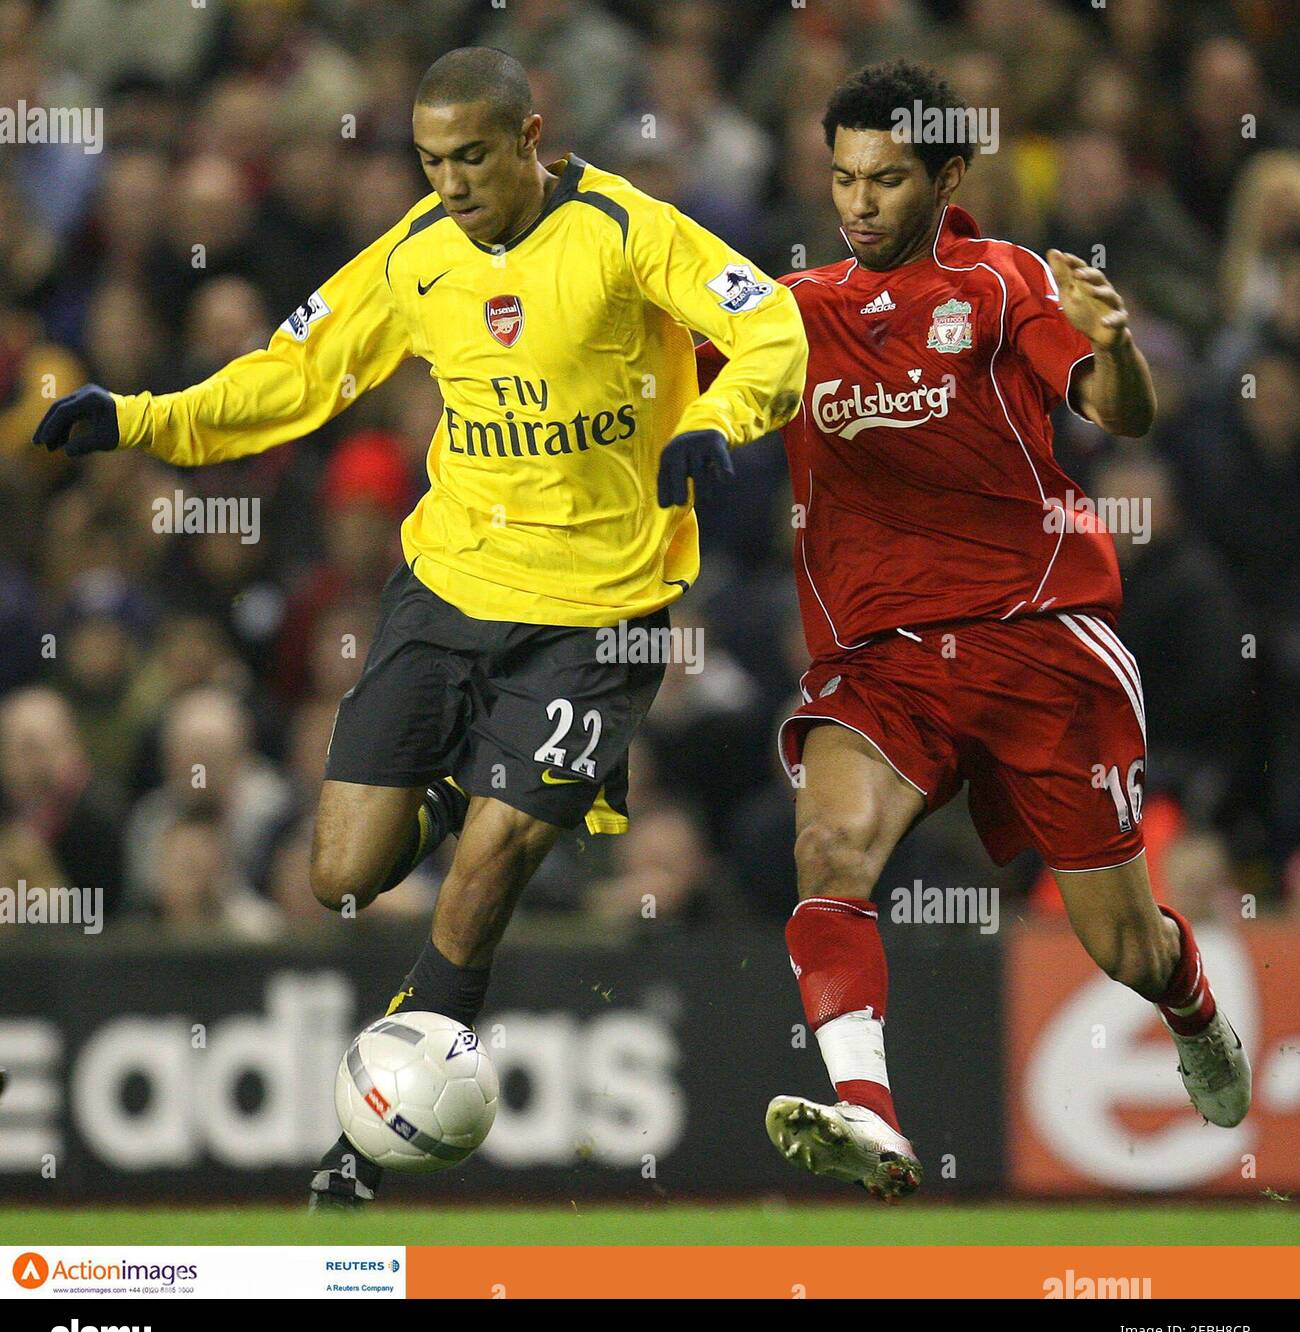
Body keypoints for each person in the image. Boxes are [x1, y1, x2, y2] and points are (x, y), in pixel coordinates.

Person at [34, 46, 808, 1208]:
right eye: (432, 160)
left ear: (531, 139)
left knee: (494, 859)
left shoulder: (623, 230)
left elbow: (774, 325)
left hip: (598, 613)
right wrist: (144, 417)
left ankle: (370, 1141)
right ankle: (454, 790)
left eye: (472, 157)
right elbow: (291, 378)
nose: (450, 181)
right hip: (446, 589)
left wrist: (717, 420)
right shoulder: (414, 254)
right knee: (341, 874)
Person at [697, 60, 1250, 1201]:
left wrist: (1120, 347)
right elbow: (655, 375)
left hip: (1037, 638)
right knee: (828, 849)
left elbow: (1118, 411)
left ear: (947, 176)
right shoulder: (792, 314)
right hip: (881, 660)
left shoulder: (1004, 283)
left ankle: (1192, 1007)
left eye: (887, 179)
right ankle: (869, 1111)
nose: (858, 203)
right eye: (843, 177)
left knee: (1122, 947)